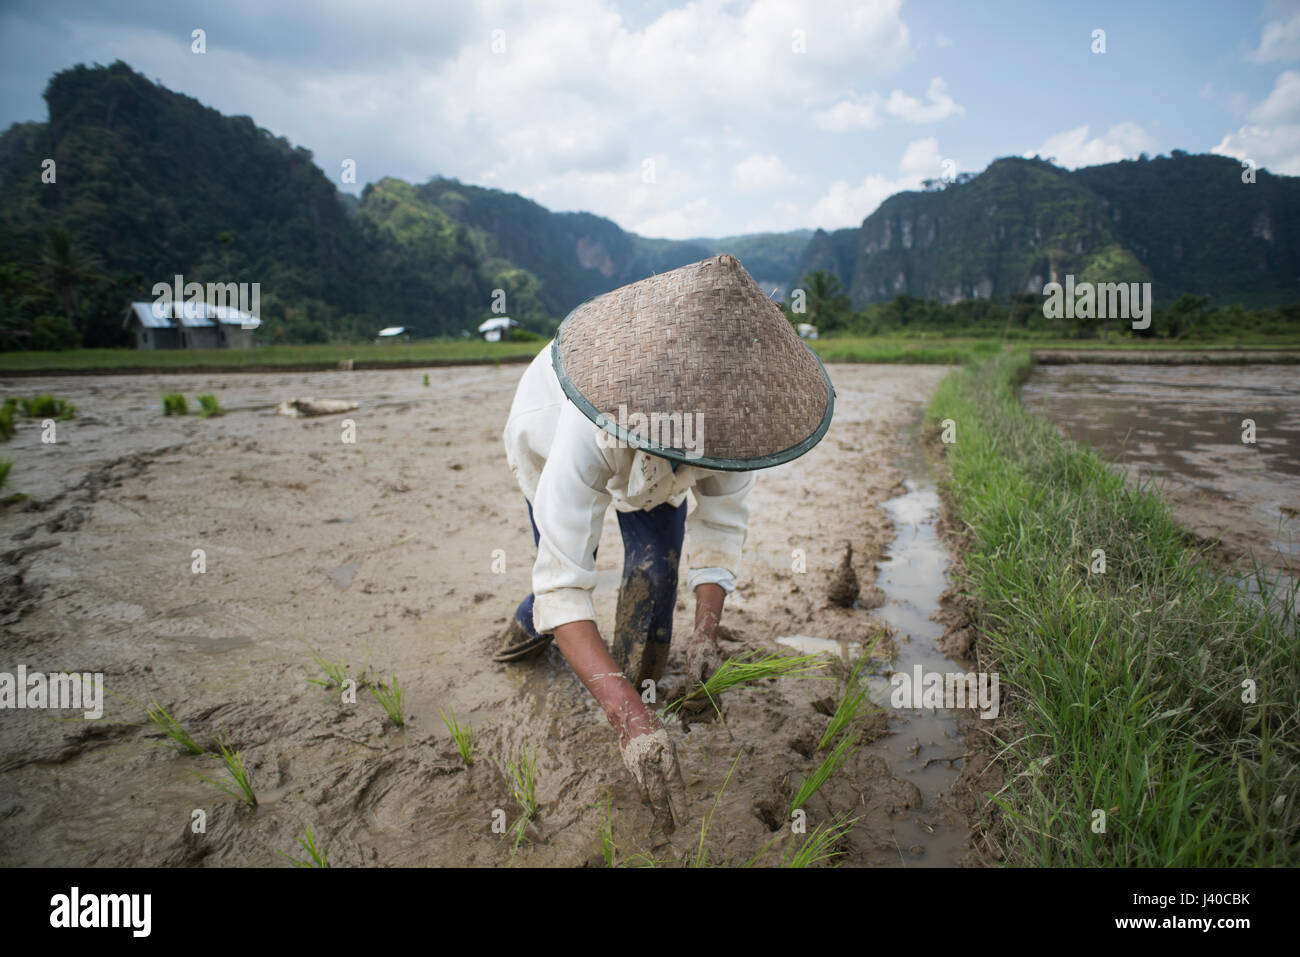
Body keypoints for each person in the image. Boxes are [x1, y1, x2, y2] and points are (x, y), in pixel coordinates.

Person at [494, 254, 834, 830]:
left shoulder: (734, 420)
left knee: (655, 579)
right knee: (551, 595)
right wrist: (625, 720)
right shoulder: (585, 428)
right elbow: (564, 581)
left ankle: (640, 691)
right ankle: (531, 639)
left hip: (653, 468)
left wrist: (705, 635)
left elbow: (721, 523)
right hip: (551, 443)